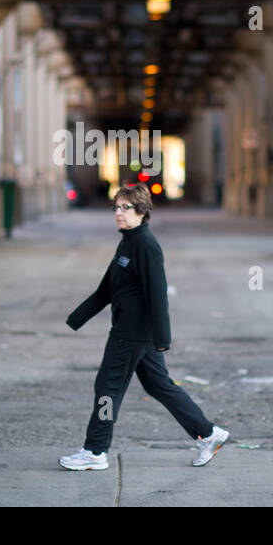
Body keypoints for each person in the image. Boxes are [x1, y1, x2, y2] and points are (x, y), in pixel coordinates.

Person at [59, 183, 229, 470]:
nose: (118, 213)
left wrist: (163, 338)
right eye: (116, 207)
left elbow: (158, 293)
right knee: (158, 384)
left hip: (132, 333)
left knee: (107, 388)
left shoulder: (146, 246)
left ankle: (95, 451)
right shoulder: (127, 242)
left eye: (125, 208)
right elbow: (106, 290)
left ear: (142, 211)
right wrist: (77, 318)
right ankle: (209, 434)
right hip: (134, 331)